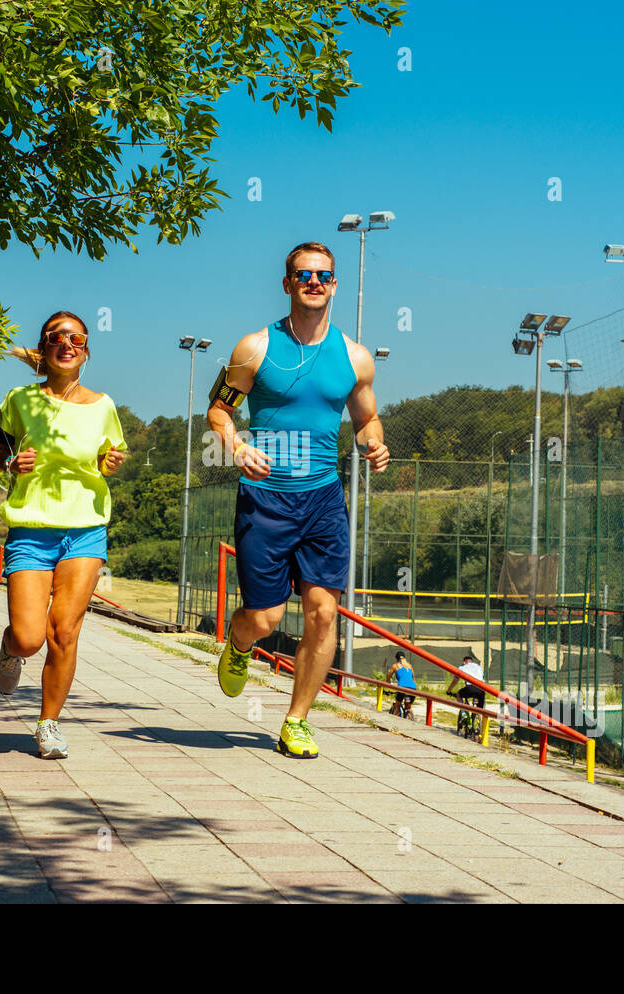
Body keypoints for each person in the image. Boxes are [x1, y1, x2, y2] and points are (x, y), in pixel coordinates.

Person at [206, 241, 390, 759]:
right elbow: (218, 414)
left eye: (324, 276)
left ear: (334, 284)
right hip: (265, 500)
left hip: (323, 501)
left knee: (322, 614)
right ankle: (241, 642)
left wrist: (373, 441)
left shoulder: (355, 357)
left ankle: (297, 720)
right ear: (287, 283)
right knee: (264, 618)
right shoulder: (254, 348)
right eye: (304, 274)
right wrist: (237, 447)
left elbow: (365, 418)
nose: (314, 282)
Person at [0, 311, 126, 759]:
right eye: (57, 337)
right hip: (32, 527)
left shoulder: (104, 406)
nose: (67, 344)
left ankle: (48, 723)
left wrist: (110, 464)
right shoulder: (19, 399)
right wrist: (10, 464)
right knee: (31, 637)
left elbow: (108, 455)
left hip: (86, 527)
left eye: (77, 338)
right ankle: (11, 649)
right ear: (45, 349)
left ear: (86, 350)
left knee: (63, 631)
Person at [447, 653, 486, 737]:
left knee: (458, 694)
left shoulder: (462, 667)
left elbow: (455, 680)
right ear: (472, 661)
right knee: (479, 709)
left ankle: (464, 711)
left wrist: (449, 690)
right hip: (482, 690)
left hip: (470, 688)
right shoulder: (479, 667)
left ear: (464, 662)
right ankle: (478, 724)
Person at [387, 650, 418, 719]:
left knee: (398, 706)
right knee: (408, 707)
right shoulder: (409, 665)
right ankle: (411, 719)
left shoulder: (395, 666)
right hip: (412, 689)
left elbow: (388, 677)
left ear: (396, 659)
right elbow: (413, 678)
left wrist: (386, 684)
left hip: (402, 688)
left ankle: (395, 721)